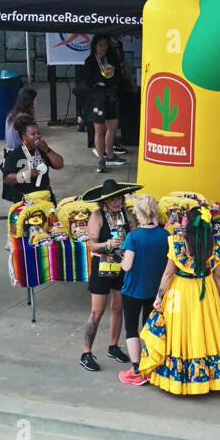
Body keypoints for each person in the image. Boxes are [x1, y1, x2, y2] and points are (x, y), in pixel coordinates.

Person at [138, 205, 220, 395]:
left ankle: (182, 379)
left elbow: (168, 274)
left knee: (181, 332)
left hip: (180, 293)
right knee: (207, 331)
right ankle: (213, 378)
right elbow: (218, 276)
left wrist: (159, 296)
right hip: (207, 291)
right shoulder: (216, 244)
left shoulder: (178, 243)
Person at [79, 179, 140, 371]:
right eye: (114, 199)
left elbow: (135, 234)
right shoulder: (97, 217)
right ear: (105, 201)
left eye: (120, 197)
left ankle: (113, 346)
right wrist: (107, 245)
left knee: (118, 307)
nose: (118, 201)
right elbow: (92, 244)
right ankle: (86, 352)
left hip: (121, 265)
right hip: (102, 266)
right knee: (96, 312)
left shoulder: (127, 214)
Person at [117, 195, 170, 386]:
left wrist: (120, 260)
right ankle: (152, 365)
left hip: (132, 290)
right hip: (155, 291)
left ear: (139, 214)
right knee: (150, 329)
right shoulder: (165, 235)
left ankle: (137, 369)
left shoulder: (134, 237)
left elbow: (127, 266)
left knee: (132, 329)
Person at [83, 34, 128, 174]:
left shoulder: (112, 58)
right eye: (101, 45)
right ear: (95, 46)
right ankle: (101, 160)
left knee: (113, 126)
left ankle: (110, 155)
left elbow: (119, 76)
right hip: (97, 97)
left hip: (111, 96)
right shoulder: (90, 60)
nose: (104, 48)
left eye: (106, 45)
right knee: (99, 129)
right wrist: (100, 79)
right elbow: (88, 80)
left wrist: (110, 77)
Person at [2, 116, 64, 203]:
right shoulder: (14, 155)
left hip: (45, 197)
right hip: (24, 200)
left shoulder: (43, 150)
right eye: (33, 134)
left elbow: (60, 164)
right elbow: (7, 179)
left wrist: (47, 150)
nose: (37, 136)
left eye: (38, 133)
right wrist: (24, 175)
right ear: (24, 137)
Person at [4, 87, 38, 154]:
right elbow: (32, 141)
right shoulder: (26, 119)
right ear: (30, 101)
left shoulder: (11, 115)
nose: (36, 102)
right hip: (20, 154)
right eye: (35, 100)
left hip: (8, 152)